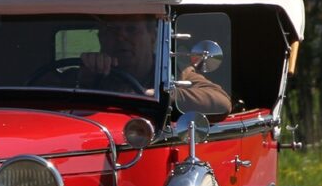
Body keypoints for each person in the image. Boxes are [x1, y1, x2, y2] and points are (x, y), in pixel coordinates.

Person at [78, 15, 231, 116]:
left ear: (152, 38)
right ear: (101, 39)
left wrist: (164, 95)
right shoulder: (90, 72)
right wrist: (86, 80)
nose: (121, 37)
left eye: (131, 30)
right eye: (111, 30)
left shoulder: (174, 71)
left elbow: (221, 102)